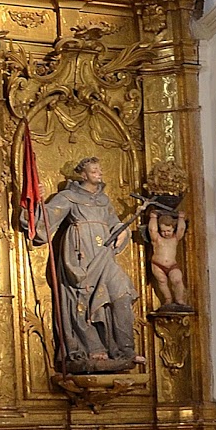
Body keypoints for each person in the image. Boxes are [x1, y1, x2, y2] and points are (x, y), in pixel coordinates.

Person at [20, 155, 138, 373]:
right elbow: (44, 221)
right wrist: (37, 202)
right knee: (82, 296)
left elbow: (115, 225)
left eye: (99, 170)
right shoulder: (69, 197)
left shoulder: (104, 201)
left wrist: (122, 231)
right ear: (83, 175)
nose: (99, 174)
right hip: (80, 254)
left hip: (104, 255)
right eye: (94, 171)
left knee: (122, 291)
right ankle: (91, 347)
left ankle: (125, 350)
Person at [147, 208, 192, 312]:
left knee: (177, 279)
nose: (165, 233)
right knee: (162, 281)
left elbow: (181, 229)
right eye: (163, 231)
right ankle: (168, 299)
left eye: (168, 231)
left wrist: (181, 218)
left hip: (172, 265)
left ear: (173, 229)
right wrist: (153, 217)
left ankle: (179, 299)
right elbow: (151, 230)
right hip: (157, 265)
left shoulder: (175, 239)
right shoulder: (157, 239)